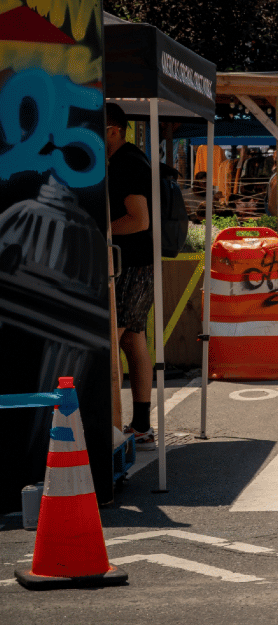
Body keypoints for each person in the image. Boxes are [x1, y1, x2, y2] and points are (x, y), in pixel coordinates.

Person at [106, 103, 156, 449]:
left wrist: (100, 232)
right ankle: (139, 426)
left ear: (112, 130)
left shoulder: (125, 163)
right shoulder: (132, 159)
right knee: (132, 340)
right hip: (138, 265)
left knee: (112, 342)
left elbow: (138, 219)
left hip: (128, 266)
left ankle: (110, 428)